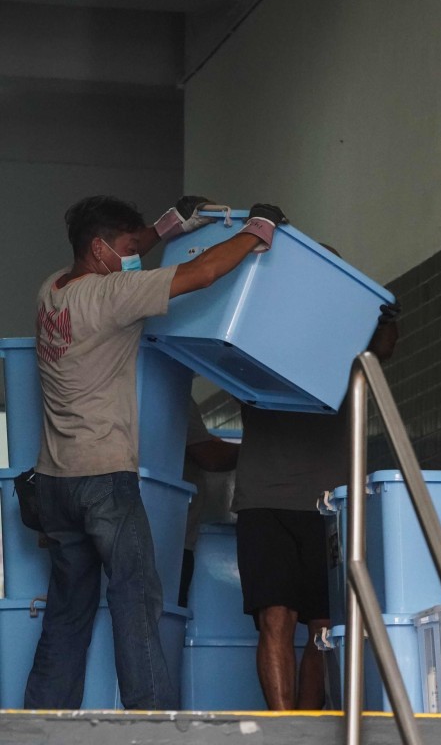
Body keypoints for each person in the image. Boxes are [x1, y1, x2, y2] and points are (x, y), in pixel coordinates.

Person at [25, 194, 286, 710]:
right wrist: (259, 228)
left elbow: (138, 243)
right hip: (103, 481)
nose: (134, 256)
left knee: (67, 613)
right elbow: (206, 273)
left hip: (54, 482)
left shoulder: (51, 291)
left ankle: (41, 726)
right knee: (137, 602)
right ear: (99, 250)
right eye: (125, 248)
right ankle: (151, 725)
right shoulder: (112, 294)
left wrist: (171, 222)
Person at [232, 292, 400, 711]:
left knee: (326, 627)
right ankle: (284, 730)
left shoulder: (345, 339)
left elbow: (382, 348)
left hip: (330, 503)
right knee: (276, 618)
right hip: (264, 500)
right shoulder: (254, 334)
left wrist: (380, 312)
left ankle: (307, 725)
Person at [178, 398, 240, 608]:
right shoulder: (175, 394)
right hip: (174, 540)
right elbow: (209, 456)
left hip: (167, 533)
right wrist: (257, 451)